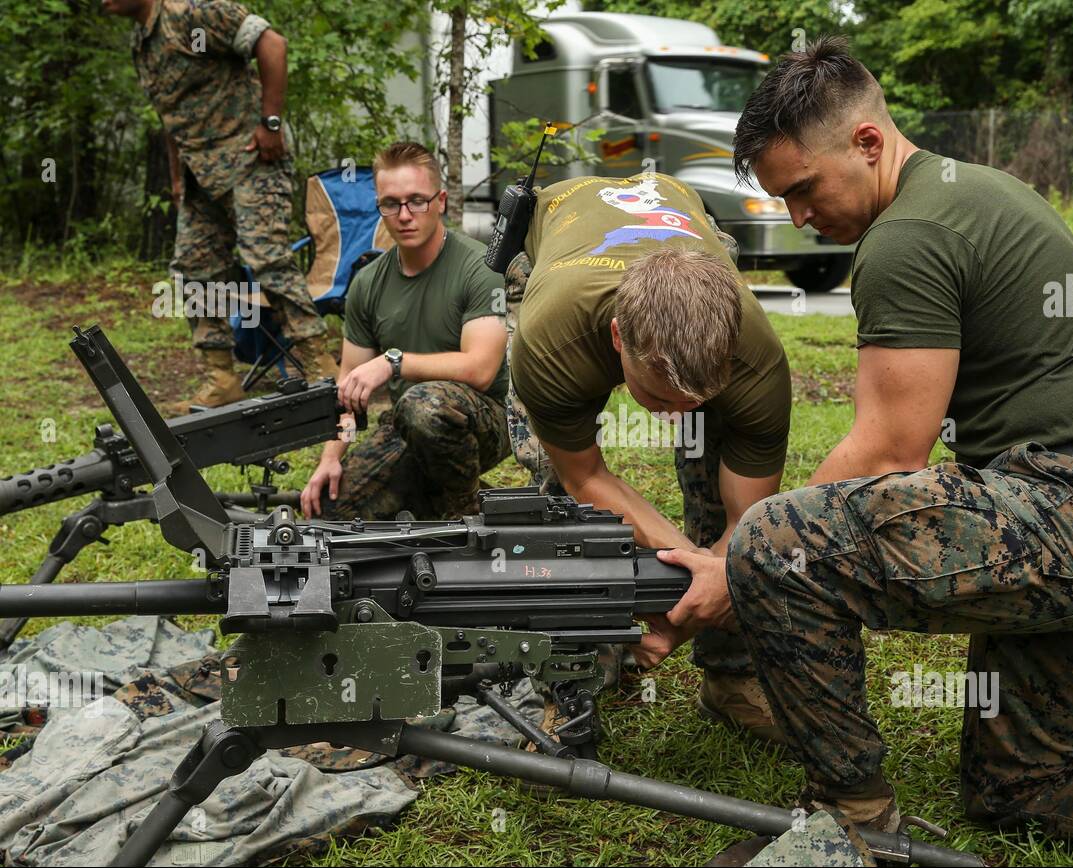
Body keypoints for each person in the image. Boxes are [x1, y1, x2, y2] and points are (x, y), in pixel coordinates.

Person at [648, 36, 1073, 865]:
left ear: (869, 142)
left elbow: (886, 451)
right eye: (783, 200)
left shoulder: (905, 237)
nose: (798, 218)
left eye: (804, 190)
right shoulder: (977, 192)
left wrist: (730, 563)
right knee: (1021, 785)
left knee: (779, 542)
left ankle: (851, 820)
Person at [505, 171, 792, 742]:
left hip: (683, 224)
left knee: (718, 466)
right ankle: (571, 680)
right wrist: (696, 574)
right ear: (617, 340)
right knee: (558, 494)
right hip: (558, 246)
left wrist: (707, 589)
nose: (673, 417)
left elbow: (747, 522)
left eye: (697, 400)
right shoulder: (551, 338)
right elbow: (585, 473)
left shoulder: (757, 362)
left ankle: (731, 677)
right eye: (660, 398)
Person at [105, 0, 337, 412]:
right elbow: (171, 114)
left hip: (252, 158)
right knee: (193, 269)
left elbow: (273, 44)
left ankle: (320, 364)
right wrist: (178, 177)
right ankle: (222, 378)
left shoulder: (194, 12)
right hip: (201, 174)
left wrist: (271, 122)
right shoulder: (141, 41)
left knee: (266, 257)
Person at [299, 142, 509, 521]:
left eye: (417, 201)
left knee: (422, 406)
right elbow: (347, 393)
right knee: (332, 512)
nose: (405, 215)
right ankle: (441, 496)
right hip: (409, 423)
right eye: (391, 204)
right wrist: (330, 458)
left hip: (488, 420)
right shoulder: (366, 284)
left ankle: (464, 514)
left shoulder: (480, 268)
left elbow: (481, 369)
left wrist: (394, 362)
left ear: (441, 201)